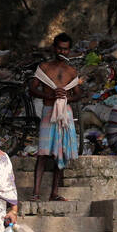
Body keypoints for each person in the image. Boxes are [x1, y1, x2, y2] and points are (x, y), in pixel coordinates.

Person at [28, 33, 82, 201]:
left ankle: (54, 193)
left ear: (69, 51)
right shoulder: (44, 68)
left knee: (61, 151)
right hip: (48, 111)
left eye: (65, 49)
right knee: (43, 153)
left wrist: (65, 96)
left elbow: (79, 95)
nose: (61, 51)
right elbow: (32, 89)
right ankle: (36, 193)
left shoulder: (72, 71)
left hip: (64, 113)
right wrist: (51, 97)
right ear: (54, 48)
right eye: (59, 48)